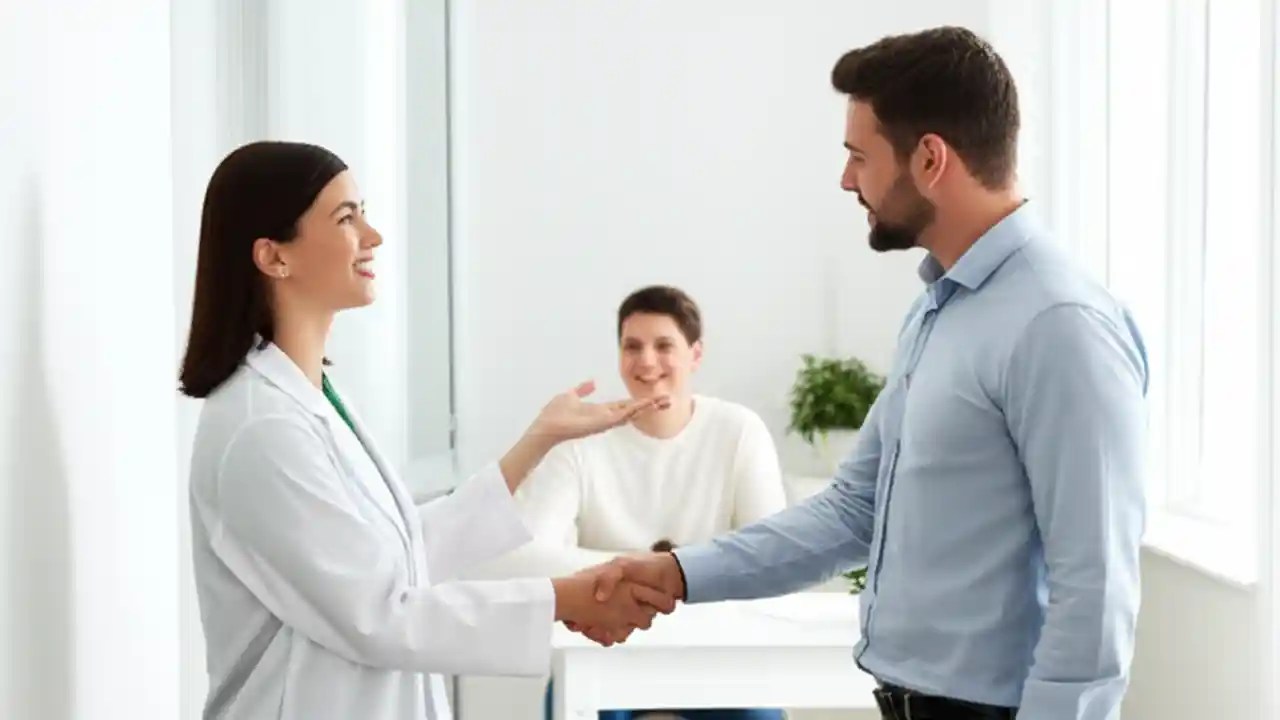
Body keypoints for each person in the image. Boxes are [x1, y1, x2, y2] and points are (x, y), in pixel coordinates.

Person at [578, 26, 1149, 720]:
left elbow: (1096, 589)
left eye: (859, 156)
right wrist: (677, 572)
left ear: (930, 159)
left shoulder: (1059, 325)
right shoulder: (939, 311)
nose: (847, 180)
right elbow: (854, 509)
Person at [180, 141, 676, 720]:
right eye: (346, 218)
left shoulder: (310, 399)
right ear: (273, 256)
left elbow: (401, 554)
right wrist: (565, 600)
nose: (372, 236)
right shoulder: (260, 429)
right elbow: (376, 614)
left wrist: (538, 441)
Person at [474, 285, 787, 720]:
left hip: (715, 656)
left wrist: (658, 571)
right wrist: (655, 569)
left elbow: (771, 556)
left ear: (695, 354)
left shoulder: (739, 431)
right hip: (607, 655)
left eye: (664, 346)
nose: (646, 361)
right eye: (632, 346)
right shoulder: (580, 440)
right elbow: (521, 556)